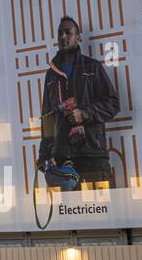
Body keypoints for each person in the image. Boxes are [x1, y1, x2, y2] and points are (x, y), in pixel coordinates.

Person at [39, 16, 120, 187]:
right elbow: (47, 117)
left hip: (92, 154)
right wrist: (44, 155)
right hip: (62, 160)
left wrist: (84, 113)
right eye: (60, 33)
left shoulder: (92, 67)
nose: (63, 37)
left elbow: (112, 104)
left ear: (78, 37)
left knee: (100, 208)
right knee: (68, 211)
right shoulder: (51, 74)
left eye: (68, 32)